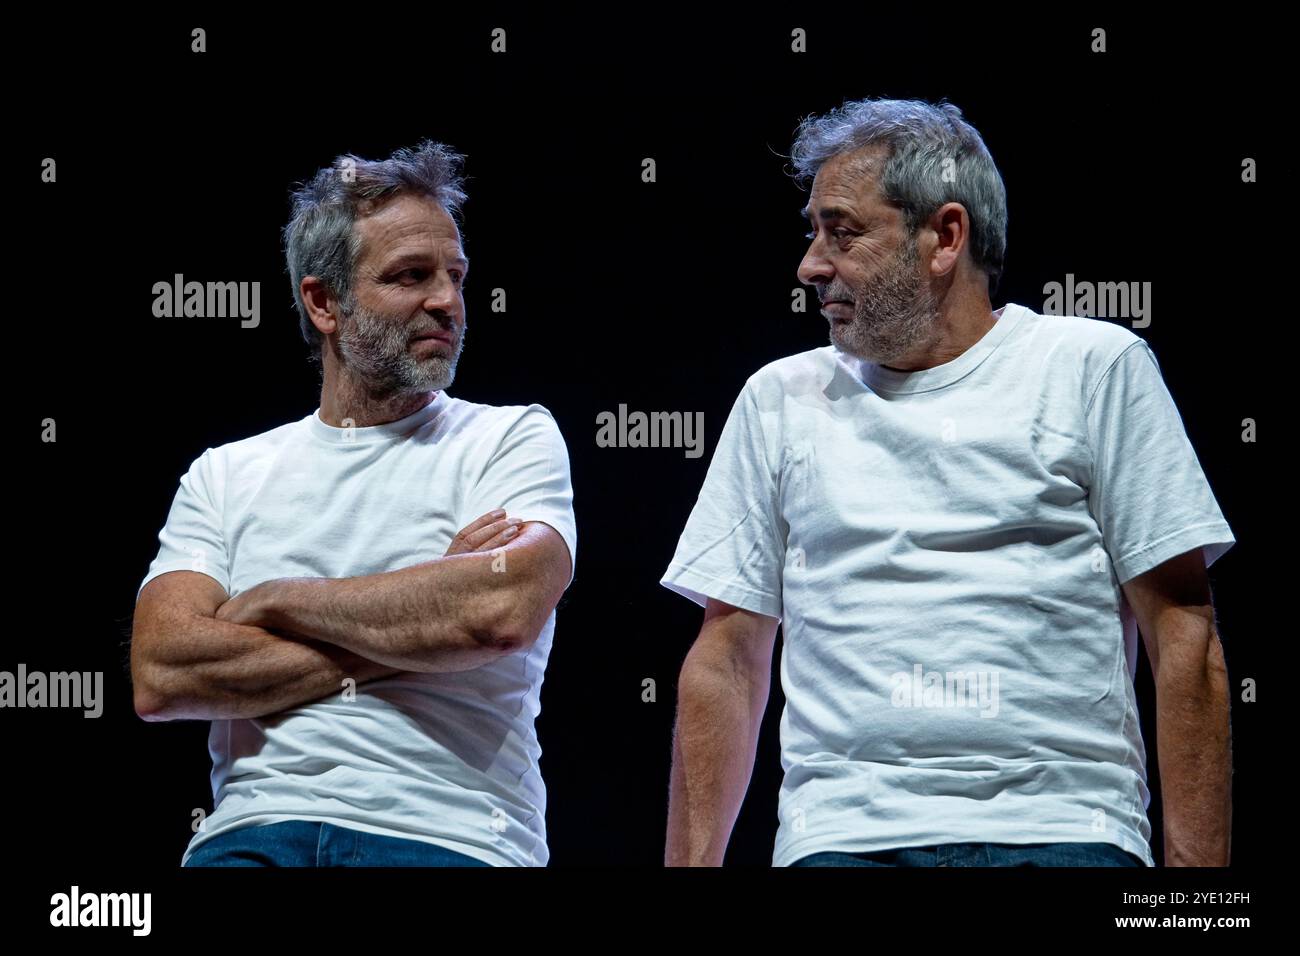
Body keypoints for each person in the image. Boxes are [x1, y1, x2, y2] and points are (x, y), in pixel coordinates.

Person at [660, 98, 1234, 867]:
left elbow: (1183, 629)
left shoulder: (1094, 368)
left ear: (944, 236)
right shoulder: (780, 398)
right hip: (845, 837)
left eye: (842, 230)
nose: (810, 265)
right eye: (812, 232)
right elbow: (727, 656)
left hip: (1063, 828)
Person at [132, 141, 576, 867]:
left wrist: (272, 599)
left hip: (448, 834)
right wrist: (420, 628)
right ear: (324, 302)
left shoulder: (510, 435)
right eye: (411, 276)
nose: (447, 301)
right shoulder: (226, 473)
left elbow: (495, 613)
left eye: (455, 276)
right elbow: (162, 675)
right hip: (252, 833)